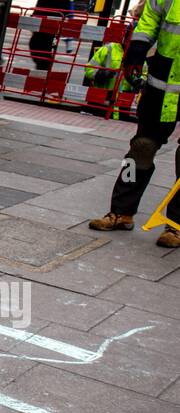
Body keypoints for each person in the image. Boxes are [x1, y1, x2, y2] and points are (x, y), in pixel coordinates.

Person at [88, 0, 180, 247]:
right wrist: (135, 55)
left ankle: (177, 225)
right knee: (140, 148)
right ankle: (120, 212)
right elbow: (149, 19)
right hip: (162, 82)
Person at [29, 0, 73, 69]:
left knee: (40, 46)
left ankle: (43, 70)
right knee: (42, 47)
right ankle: (43, 69)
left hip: (50, 21)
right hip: (48, 20)